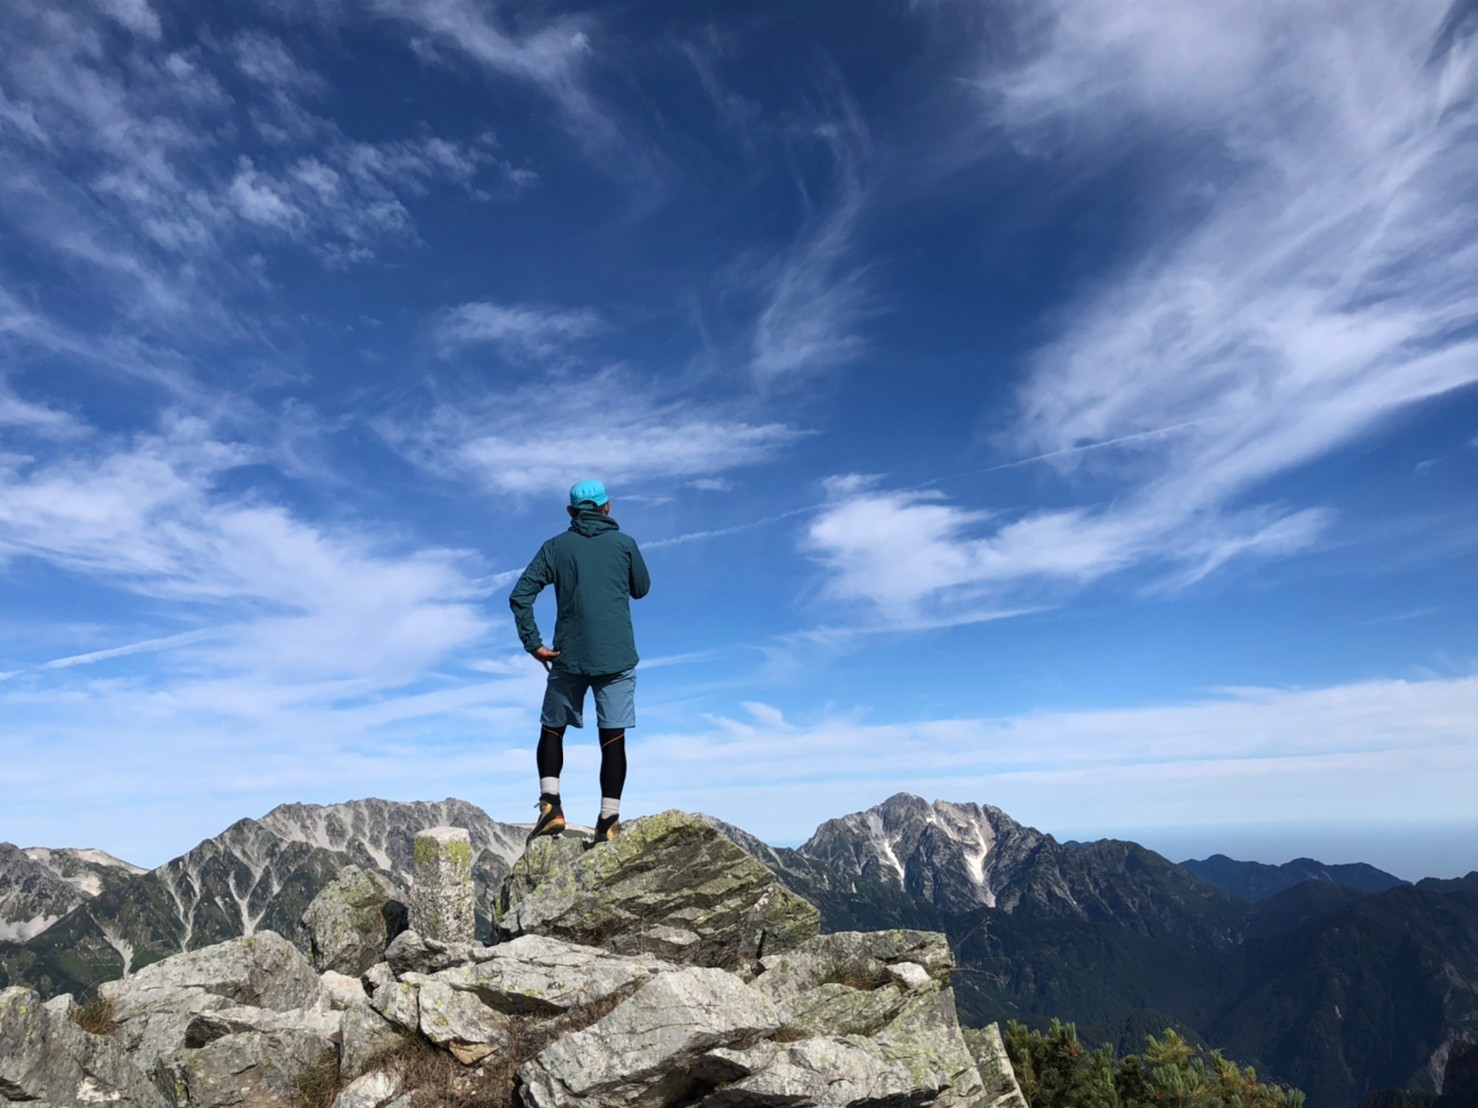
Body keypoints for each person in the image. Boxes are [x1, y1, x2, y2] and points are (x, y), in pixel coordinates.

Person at [509, 479, 650, 846]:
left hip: (567, 655)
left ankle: (551, 806)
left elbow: (520, 595)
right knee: (613, 738)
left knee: (552, 729)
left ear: (571, 512)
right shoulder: (625, 545)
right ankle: (608, 820)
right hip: (616, 657)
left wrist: (534, 645)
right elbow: (641, 588)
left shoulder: (555, 548)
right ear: (607, 508)